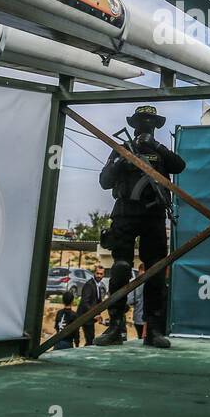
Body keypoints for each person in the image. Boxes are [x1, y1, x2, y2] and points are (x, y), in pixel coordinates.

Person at [95, 105, 184, 349]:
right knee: (121, 267)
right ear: (133, 125)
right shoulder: (122, 149)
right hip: (125, 213)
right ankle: (115, 326)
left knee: (155, 272)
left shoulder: (162, 152)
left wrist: (155, 147)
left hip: (154, 215)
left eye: (150, 122)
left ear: (156, 126)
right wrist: (122, 163)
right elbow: (104, 181)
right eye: (142, 121)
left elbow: (179, 166)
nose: (146, 125)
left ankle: (153, 330)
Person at [79, 266, 105, 346]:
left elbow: (97, 302)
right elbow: (85, 302)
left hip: (91, 317)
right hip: (86, 317)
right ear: (94, 273)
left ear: (103, 275)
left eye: (101, 274)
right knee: (90, 340)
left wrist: (98, 314)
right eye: (97, 273)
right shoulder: (89, 285)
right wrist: (94, 314)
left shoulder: (97, 285)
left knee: (90, 339)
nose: (99, 276)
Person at [131, 264, 146, 340]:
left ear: (139, 270)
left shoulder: (135, 282)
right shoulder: (153, 282)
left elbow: (130, 300)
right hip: (150, 318)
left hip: (138, 317)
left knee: (140, 337)